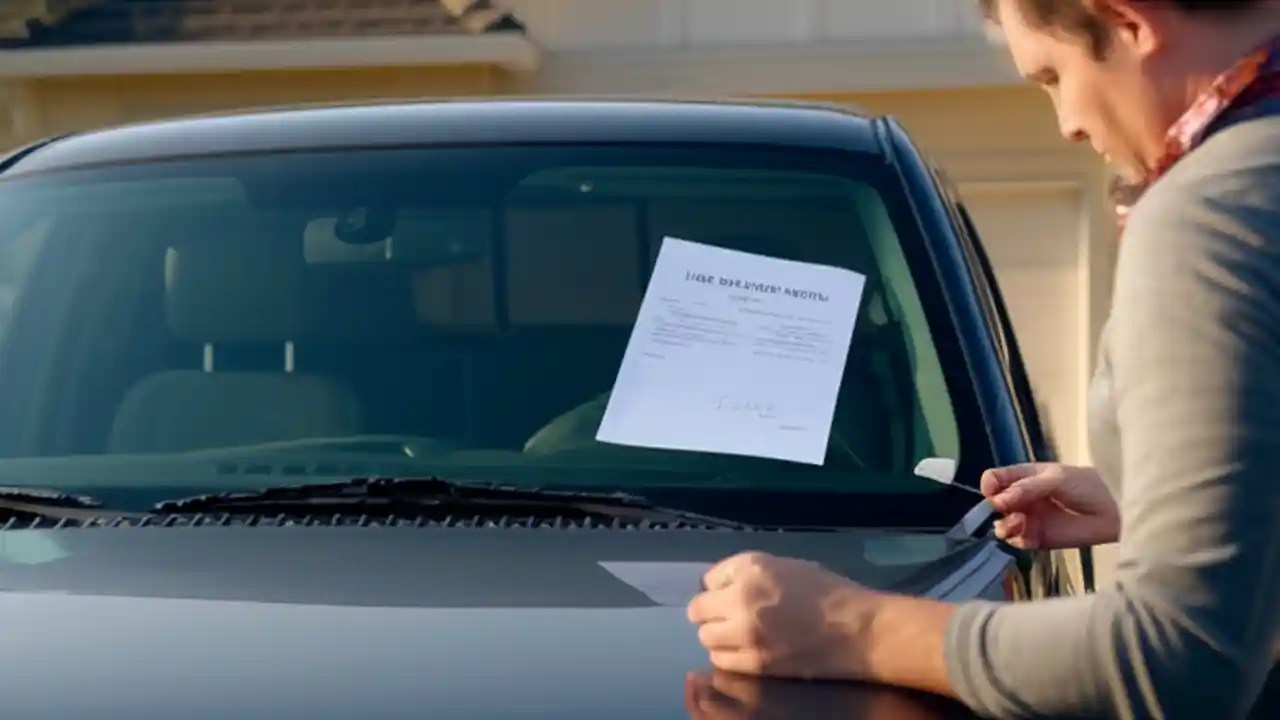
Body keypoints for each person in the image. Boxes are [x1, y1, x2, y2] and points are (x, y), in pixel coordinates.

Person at [686, 1, 1280, 718]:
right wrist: (1155, 501)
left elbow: (1179, 659)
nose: (1068, 123)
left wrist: (847, 626)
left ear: (1128, 21)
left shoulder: (1216, 211)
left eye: (1054, 74)